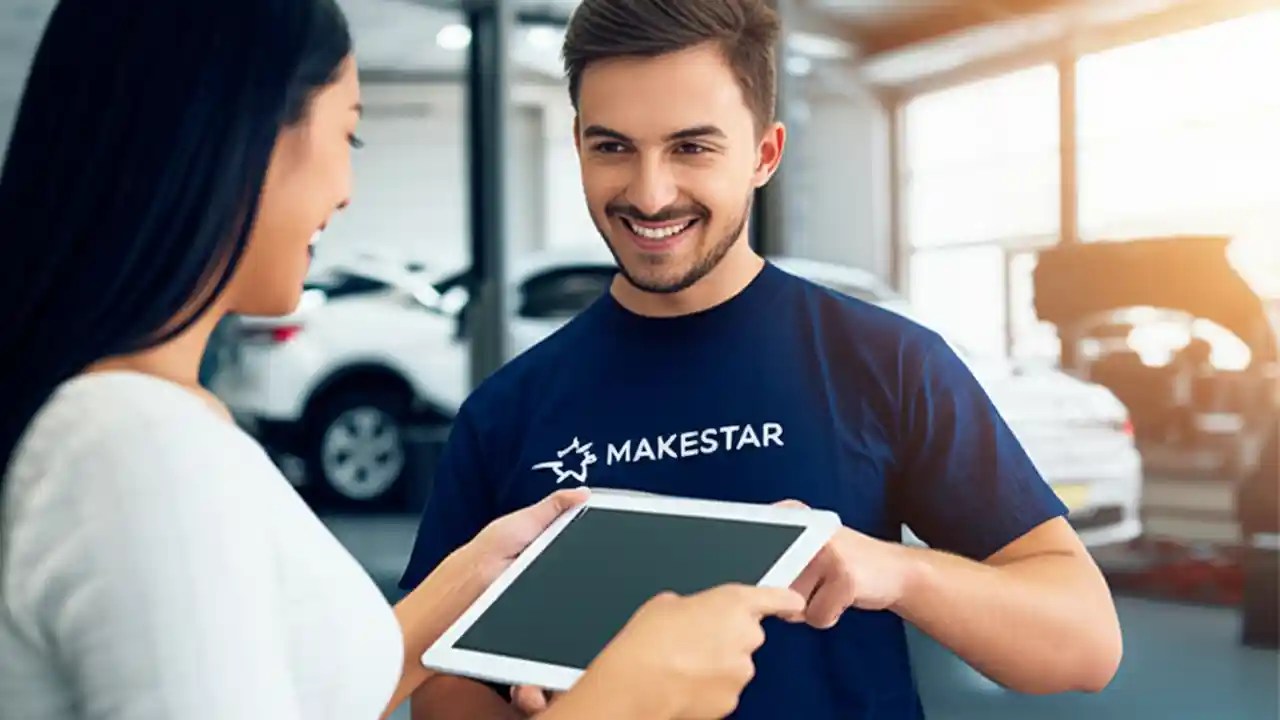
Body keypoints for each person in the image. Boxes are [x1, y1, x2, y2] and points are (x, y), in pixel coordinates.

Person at [0, 2, 806, 719]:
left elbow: (303, 690)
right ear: (241, 142)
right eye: (348, 133)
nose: (347, 188)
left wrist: (474, 580)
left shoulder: (158, 425)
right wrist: (628, 697)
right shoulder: (137, 445)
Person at [399, 1, 1123, 718]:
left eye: (691, 148)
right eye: (613, 148)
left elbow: (1087, 643)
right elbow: (439, 691)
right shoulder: (506, 412)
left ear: (764, 155)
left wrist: (899, 572)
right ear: (579, 145)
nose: (650, 194)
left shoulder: (886, 362)